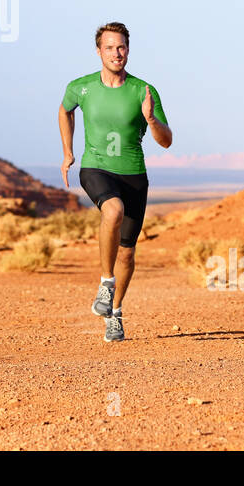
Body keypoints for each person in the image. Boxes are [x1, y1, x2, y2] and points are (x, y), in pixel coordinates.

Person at [58, 22, 172, 342]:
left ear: (128, 50)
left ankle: (115, 312)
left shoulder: (144, 91)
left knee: (128, 253)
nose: (116, 53)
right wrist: (68, 152)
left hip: (134, 174)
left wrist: (150, 119)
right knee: (112, 211)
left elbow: (166, 140)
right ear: (99, 51)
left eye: (121, 47)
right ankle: (106, 284)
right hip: (96, 168)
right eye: (109, 47)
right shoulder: (80, 87)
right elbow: (65, 111)